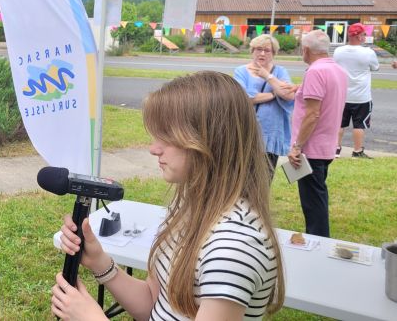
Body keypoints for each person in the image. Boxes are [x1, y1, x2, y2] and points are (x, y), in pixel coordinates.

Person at [53, 71, 285, 321]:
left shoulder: (233, 247)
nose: (154, 148)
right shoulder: (189, 209)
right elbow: (153, 305)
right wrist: (100, 262)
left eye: (168, 136)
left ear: (209, 141)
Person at [288, 30, 347, 238]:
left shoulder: (314, 71)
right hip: (326, 145)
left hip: (311, 148)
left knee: (313, 203)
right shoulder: (338, 70)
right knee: (317, 197)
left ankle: (319, 241)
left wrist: (297, 146)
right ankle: (319, 238)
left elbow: (312, 114)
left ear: (306, 50)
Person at [234, 34, 295, 173]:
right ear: (252, 51)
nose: (262, 53)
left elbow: (289, 95)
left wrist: (268, 76)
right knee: (244, 176)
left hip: (271, 133)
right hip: (247, 130)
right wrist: (274, 93)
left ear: (273, 53)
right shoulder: (241, 71)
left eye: (267, 50)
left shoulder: (280, 71)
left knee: (266, 176)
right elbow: (243, 98)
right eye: (258, 49)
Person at [333, 23, 379, 158]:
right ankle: (357, 150)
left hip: (342, 94)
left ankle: (335, 148)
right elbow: (375, 67)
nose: (365, 37)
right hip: (361, 96)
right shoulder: (368, 52)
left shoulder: (338, 51)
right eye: (364, 34)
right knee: (359, 125)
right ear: (359, 36)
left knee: (340, 123)